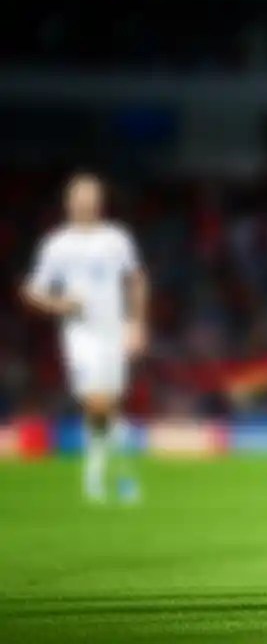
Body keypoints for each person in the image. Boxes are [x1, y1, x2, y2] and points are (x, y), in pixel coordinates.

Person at [21, 173, 148, 504]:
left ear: (99, 201)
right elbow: (32, 290)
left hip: (114, 328)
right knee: (96, 402)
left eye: (92, 196)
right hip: (79, 333)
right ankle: (114, 470)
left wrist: (136, 323)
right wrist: (60, 303)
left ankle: (105, 474)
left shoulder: (115, 239)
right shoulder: (58, 244)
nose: (86, 202)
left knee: (106, 407)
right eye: (80, 196)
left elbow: (135, 279)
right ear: (69, 201)